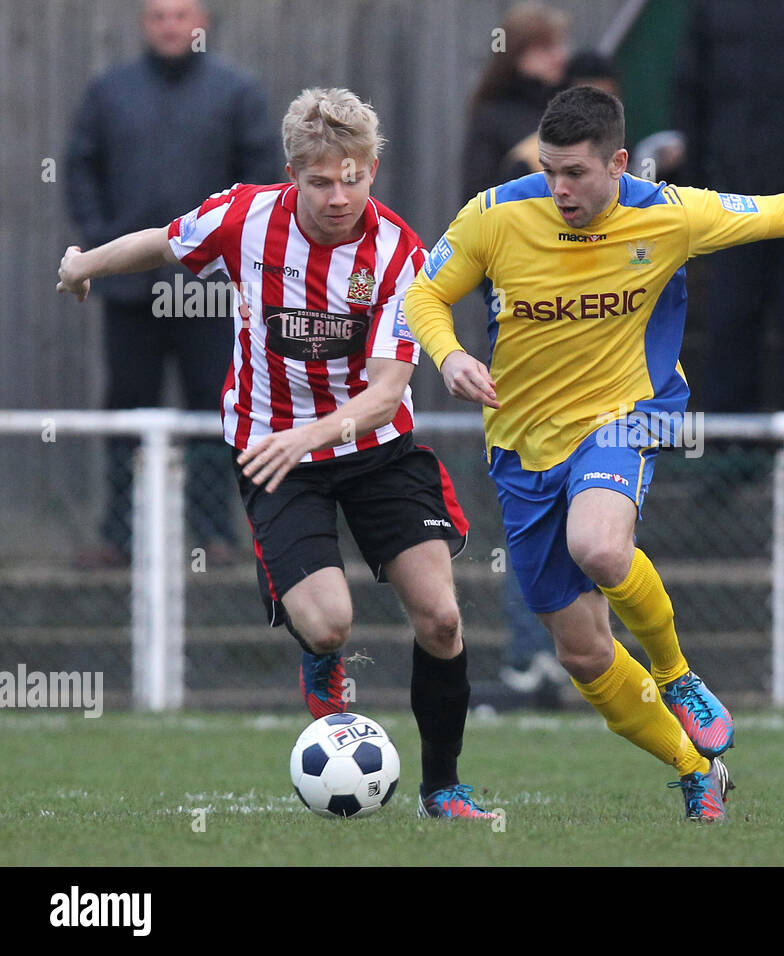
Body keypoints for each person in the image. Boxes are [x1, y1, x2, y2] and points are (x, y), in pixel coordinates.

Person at [403, 86, 784, 820]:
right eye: (550, 170)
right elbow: (424, 296)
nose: (559, 189)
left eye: (576, 173)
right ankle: (692, 766)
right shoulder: (495, 215)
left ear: (618, 162)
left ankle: (677, 675)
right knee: (583, 655)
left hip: (626, 416)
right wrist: (449, 354)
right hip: (521, 446)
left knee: (601, 549)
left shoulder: (670, 214)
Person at [57, 88, 497, 822]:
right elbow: (164, 241)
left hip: (376, 451)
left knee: (442, 619)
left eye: (353, 178)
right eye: (321, 181)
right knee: (330, 623)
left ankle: (443, 789)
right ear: (292, 173)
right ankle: (320, 656)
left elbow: (388, 395)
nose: (338, 196)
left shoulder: (399, 252)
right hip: (274, 455)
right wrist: (83, 266)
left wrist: (310, 434)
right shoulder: (245, 216)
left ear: (374, 168)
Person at [65, 0, 283, 568]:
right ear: (146, 24)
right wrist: (101, 237)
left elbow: (262, 179)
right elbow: (80, 167)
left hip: (209, 290)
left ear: (201, 23)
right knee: (126, 409)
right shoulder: (109, 91)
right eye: (159, 16)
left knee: (217, 407)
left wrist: (232, 252)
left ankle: (214, 536)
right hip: (130, 293)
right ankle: (120, 534)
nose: (170, 26)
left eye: (181, 15)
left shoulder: (236, 92)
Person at [673, 0, 784, 412]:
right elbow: (689, 92)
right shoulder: (712, 11)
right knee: (731, 321)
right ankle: (730, 457)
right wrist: (695, 189)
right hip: (732, 201)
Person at [461, 1, 570, 202]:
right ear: (516, 54)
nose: (560, 56)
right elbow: (476, 201)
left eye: (559, 45)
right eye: (546, 48)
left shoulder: (574, 107)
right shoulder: (492, 118)